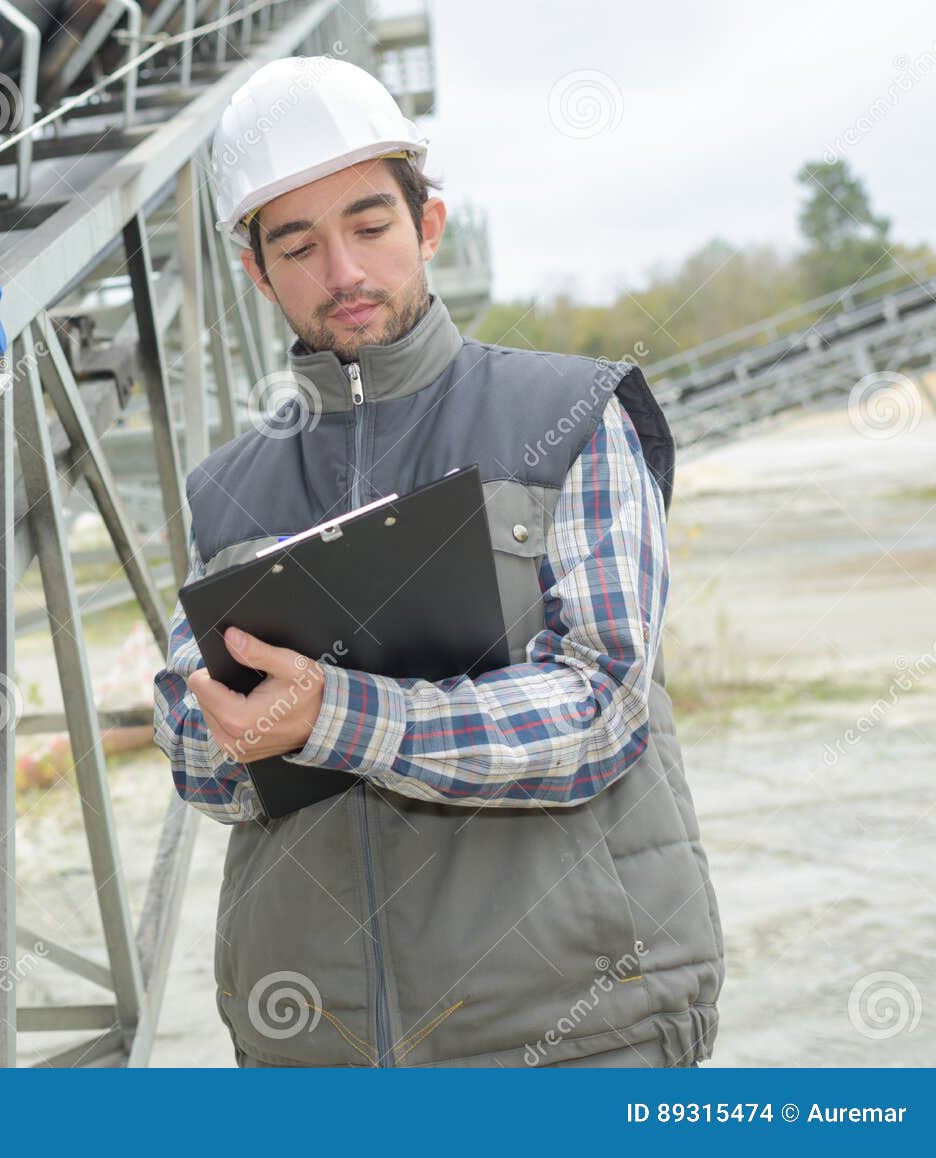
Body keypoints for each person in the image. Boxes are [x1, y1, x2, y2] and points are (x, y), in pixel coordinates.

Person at [152, 55, 723, 1068]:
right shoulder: (229, 492)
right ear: (256, 272)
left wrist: (339, 715)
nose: (343, 274)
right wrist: (214, 729)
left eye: (369, 228)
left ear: (427, 225)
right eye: (298, 246)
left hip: (569, 1038)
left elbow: (601, 708)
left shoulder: (565, 418)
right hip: (320, 1056)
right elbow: (205, 767)